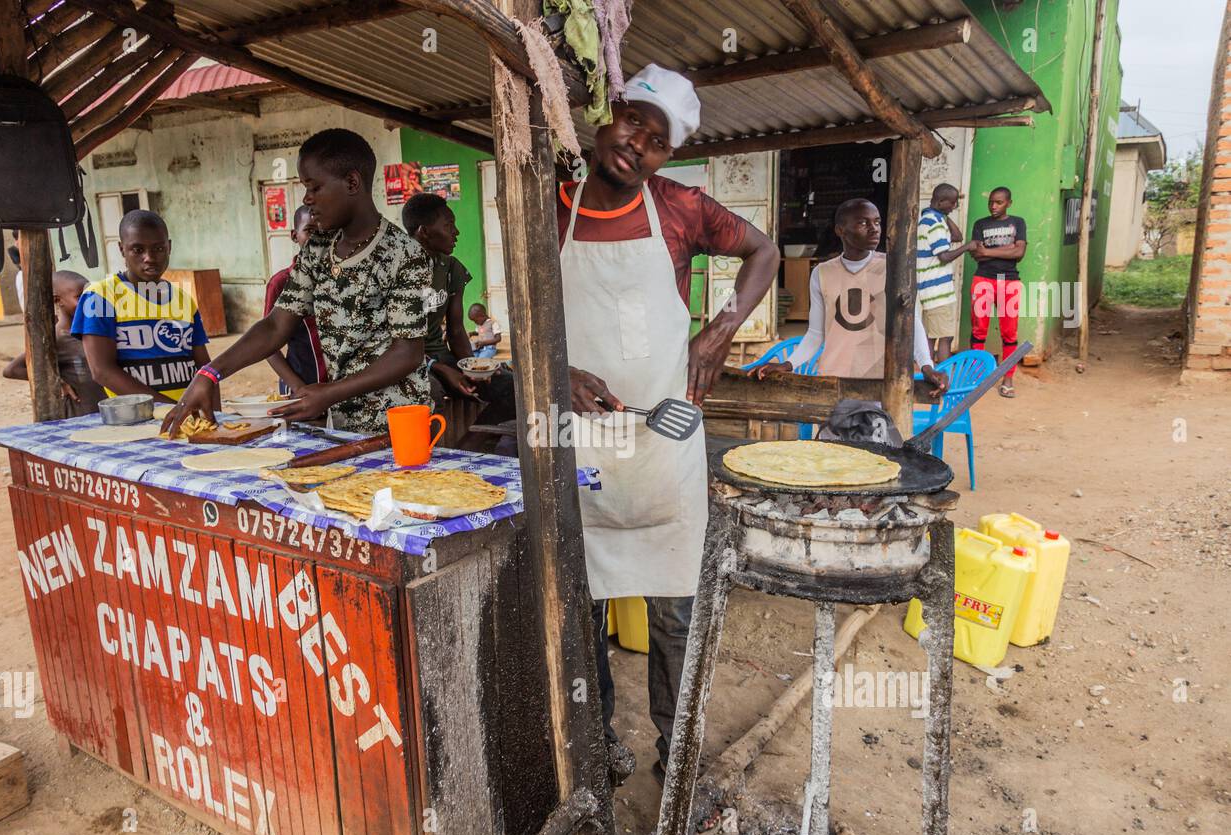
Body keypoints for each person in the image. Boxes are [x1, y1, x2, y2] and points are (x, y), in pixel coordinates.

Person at [558, 63, 780, 789]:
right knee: (580, 610)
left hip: (663, 444)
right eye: (632, 122)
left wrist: (719, 330)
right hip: (579, 444)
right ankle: (597, 746)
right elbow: (533, 318)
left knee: (674, 618)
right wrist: (556, 374)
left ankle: (676, 753)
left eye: (656, 141)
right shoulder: (548, 206)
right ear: (606, 114)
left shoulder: (680, 207)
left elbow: (763, 251)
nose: (637, 145)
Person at [164, 129, 431, 436]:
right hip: (343, 426)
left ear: (352, 183)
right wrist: (210, 373)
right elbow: (277, 325)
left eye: (314, 187)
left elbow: (407, 352)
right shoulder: (318, 248)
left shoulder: (404, 254)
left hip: (399, 424)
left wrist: (330, 393)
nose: (306, 199)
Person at [755, 198, 948, 404]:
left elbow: (912, 323)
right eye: (863, 223)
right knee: (829, 437)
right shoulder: (822, 273)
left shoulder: (894, 268)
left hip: (880, 381)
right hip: (833, 379)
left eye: (877, 222)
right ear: (840, 230)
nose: (874, 229)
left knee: (877, 435)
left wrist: (927, 365)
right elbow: (816, 334)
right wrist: (788, 364)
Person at [402, 191, 516, 443]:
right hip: (407, 362)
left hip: (441, 355)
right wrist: (438, 368)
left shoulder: (451, 269)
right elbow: (393, 342)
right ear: (424, 232)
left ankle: (468, 450)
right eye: (448, 225)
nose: (456, 232)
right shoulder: (399, 271)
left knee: (512, 387)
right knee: (428, 391)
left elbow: (456, 330)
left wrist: (473, 368)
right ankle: (429, 463)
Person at [71, 210, 212, 403]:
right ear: (122, 249)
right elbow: (102, 371)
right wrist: (171, 408)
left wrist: (214, 414)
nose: (149, 257)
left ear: (169, 247)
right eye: (138, 250)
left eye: (158, 249)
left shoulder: (183, 299)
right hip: (135, 419)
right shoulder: (101, 297)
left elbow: (205, 368)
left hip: (189, 416)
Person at [2, 270, 104, 417]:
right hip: (80, 415)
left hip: (107, 412)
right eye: (80, 297)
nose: (89, 302)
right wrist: (57, 383)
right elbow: (12, 370)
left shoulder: (97, 332)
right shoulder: (56, 339)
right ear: (57, 300)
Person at [969, 186, 1026, 398]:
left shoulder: (1017, 223)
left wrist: (988, 251)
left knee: (1009, 333)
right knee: (978, 330)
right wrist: (1005, 252)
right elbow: (977, 255)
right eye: (991, 202)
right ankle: (975, 377)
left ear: (1009, 203)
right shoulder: (980, 224)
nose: (994, 206)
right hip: (983, 279)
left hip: (1008, 282)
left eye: (999, 202)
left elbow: (1019, 253)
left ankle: (1008, 377)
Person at [265, 204, 326, 396]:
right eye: (309, 231)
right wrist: (298, 387)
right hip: (301, 386)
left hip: (340, 391)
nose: (317, 238)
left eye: (323, 231)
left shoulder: (342, 280)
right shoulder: (281, 283)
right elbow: (268, 345)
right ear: (294, 235)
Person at [917, 183, 974, 363]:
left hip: (931, 291)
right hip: (938, 293)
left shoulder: (933, 219)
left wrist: (942, 214)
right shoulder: (933, 224)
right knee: (945, 338)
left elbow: (957, 236)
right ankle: (943, 376)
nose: (954, 207)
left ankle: (930, 375)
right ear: (941, 201)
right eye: (952, 203)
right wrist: (968, 248)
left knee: (932, 336)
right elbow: (944, 256)